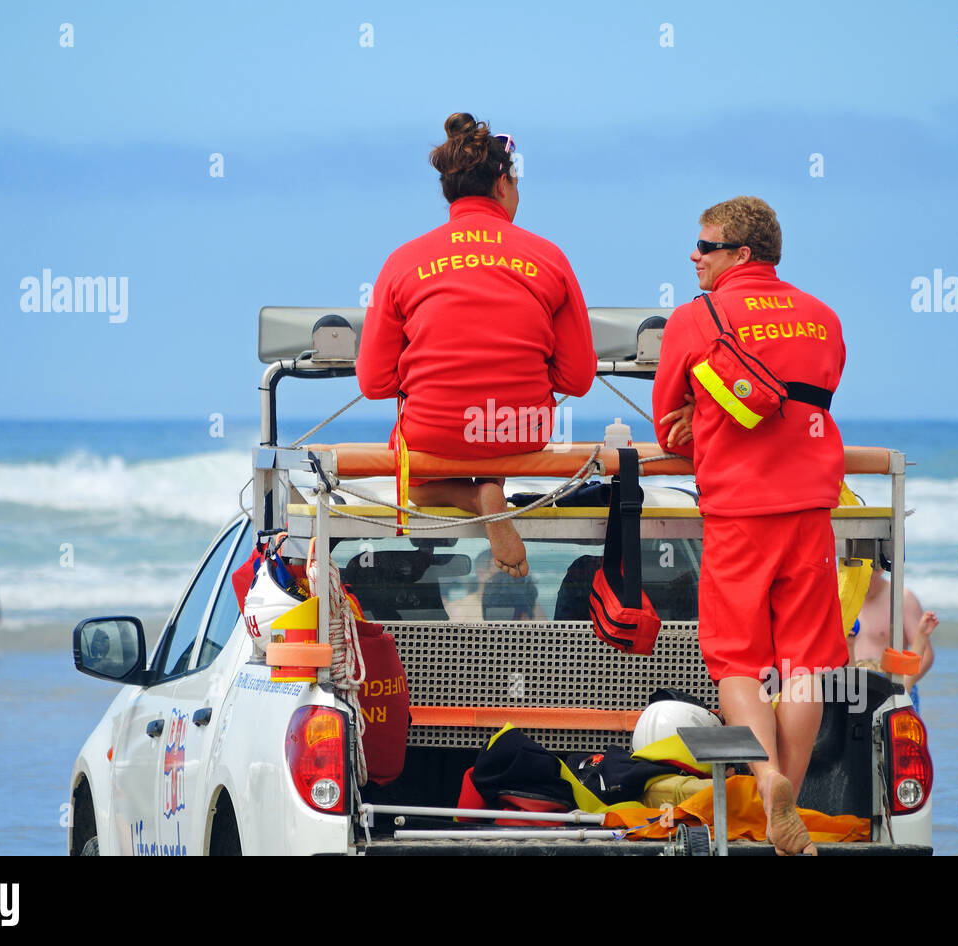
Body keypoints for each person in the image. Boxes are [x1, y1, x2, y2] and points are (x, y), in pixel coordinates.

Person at [653, 196, 846, 855]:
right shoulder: (823, 318)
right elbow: (809, 403)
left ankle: (766, 782)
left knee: (736, 661)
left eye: (705, 246)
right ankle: (787, 795)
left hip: (739, 512)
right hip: (812, 509)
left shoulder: (695, 317)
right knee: (803, 666)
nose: (693, 256)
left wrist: (693, 421)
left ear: (741, 254)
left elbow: (664, 427)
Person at [356, 113, 596, 580]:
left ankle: (477, 496)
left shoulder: (404, 260)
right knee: (491, 436)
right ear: (503, 184)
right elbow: (578, 379)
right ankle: (492, 485)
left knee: (417, 483)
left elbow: (373, 382)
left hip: (434, 432)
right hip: (521, 430)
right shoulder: (549, 257)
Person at [851, 565, 937, 713]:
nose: (861, 583)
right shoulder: (841, 597)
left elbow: (926, 655)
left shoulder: (901, 597)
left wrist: (903, 685)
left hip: (892, 678)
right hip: (854, 683)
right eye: (855, 577)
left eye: (866, 577)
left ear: (879, 569)